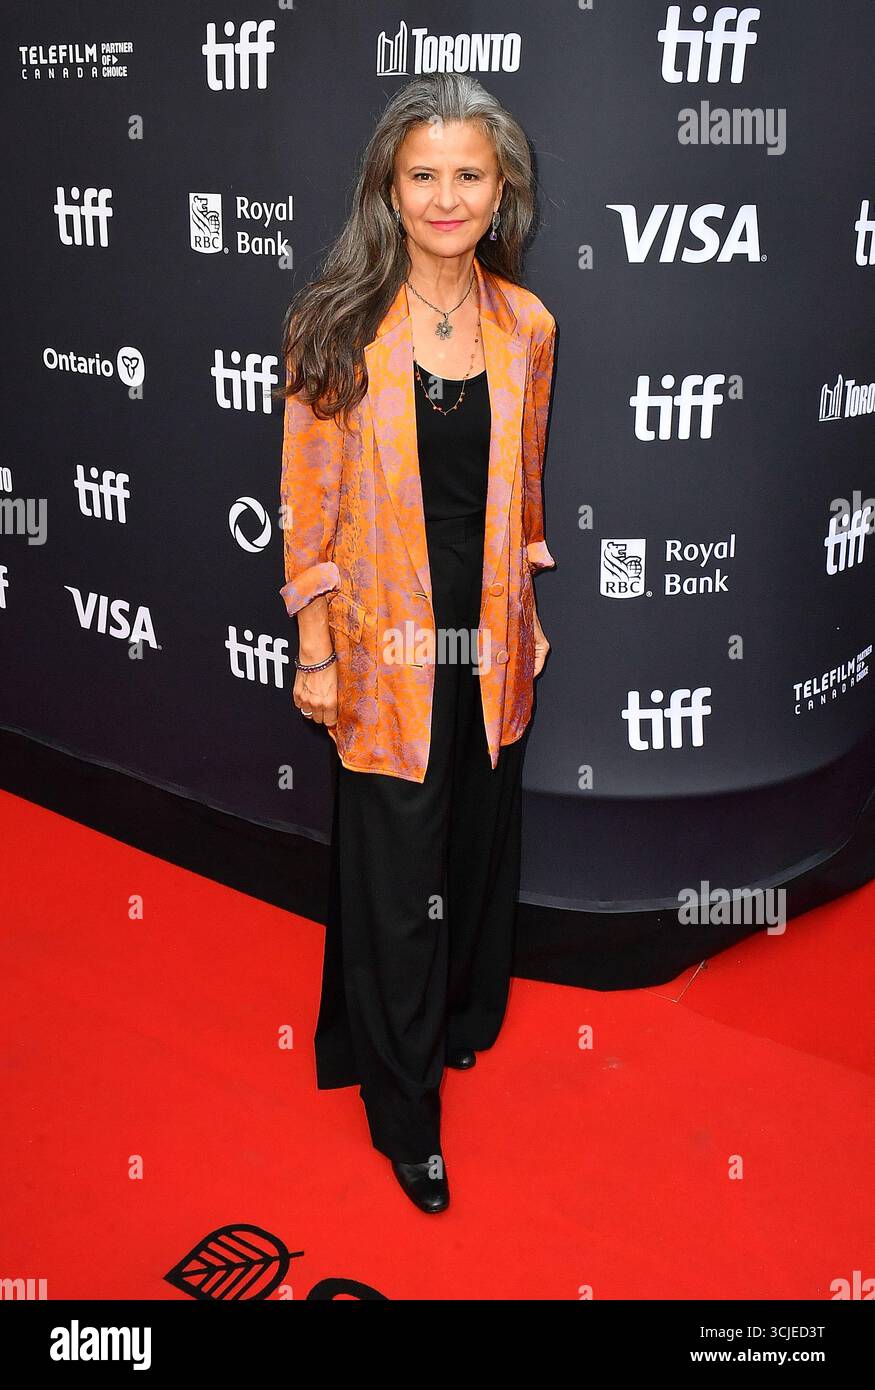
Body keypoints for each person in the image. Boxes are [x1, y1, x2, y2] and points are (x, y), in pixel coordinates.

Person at [277, 72, 558, 1213]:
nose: (446, 196)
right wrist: (313, 645)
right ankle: (405, 1119)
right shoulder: (334, 323)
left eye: (468, 175)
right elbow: (306, 500)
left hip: (483, 630)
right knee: (394, 867)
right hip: (377, 636)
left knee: (470, 839)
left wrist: (529, 613)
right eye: (422, 175)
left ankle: (439, 1022)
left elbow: (525, 488)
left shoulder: (526, 325)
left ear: (501, 193)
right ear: (389, 193)